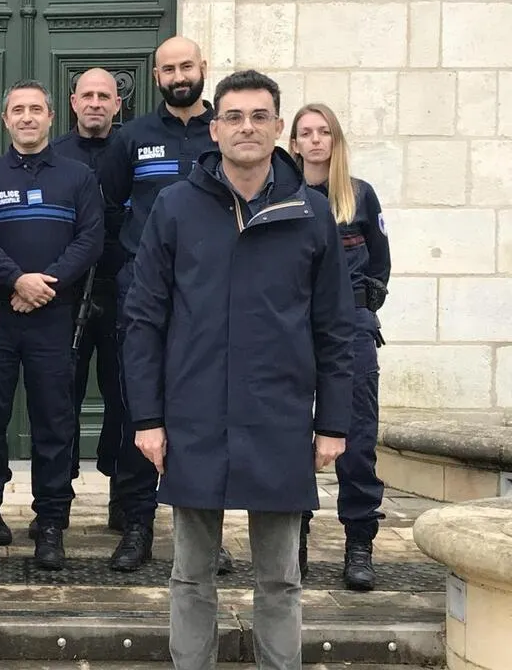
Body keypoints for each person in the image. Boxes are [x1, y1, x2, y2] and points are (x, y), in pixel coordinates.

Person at [125, 70, 355, 670]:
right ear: (214, 128)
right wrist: (147, 418)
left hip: (277, 413)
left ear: (278, 127)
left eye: (259, 116)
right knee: (190, 574)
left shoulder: (309, 212)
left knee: (280, 577)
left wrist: (333, 422)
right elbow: (144, 320)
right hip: (193, 412)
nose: (246, 127)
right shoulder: (176, 207)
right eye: (233, 116)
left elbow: (335, 327)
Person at [98, 37, 235, 574]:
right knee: (140, 406)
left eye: (186, 66)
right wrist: (131, 266)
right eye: (168, 69)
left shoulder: (223, 131)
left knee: (205, 414)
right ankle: (137, 525)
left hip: (212, 297)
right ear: (156, 77)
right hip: (144, 296)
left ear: (203, 68)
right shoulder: (131, 137)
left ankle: (205, 533)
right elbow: (109, 210)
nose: (179, 76)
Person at [0, 79, 104, 571]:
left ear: (50, 117)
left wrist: (47, 285)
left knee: (55, 424)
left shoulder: (77, 176)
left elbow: (91, 239)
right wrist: (17, 280)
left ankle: (51, 524)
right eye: (18, 110)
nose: (27, 117)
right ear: (5, 120)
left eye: (36, 109)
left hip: (55, 318)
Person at [290, 103, 391, 591]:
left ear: (336, 140)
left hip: (350, 329)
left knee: (356, 440)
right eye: (306, 132)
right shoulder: (283, 197)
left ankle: (359, 544)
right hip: (293, 329)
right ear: (293, 143)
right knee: (290, 436)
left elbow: (380, 267)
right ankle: (294, 540)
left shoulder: (359, 196)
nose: (315, 140)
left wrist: (357, 311)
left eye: (323, 131)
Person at [50, 69, 139, 569]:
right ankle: (57, 501)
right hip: (67, 292)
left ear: (117, 105)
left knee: (125, 397)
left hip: (125, 286)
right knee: (60, 398)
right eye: (88, 95)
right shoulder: (55, 154)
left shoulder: (131, 147)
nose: (96, 103)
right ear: (73, 102)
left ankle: (124, 498)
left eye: (105, 96)